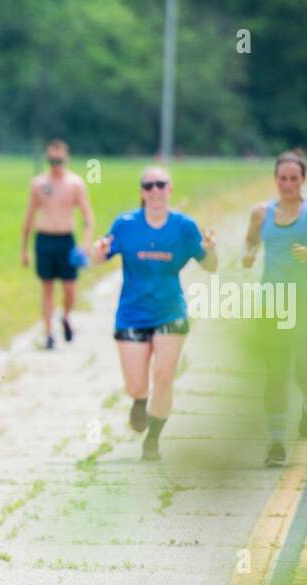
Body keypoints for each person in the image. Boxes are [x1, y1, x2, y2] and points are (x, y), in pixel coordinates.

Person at [91, 165, 218, 461]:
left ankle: (154, 440)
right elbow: (98, 258)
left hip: (170, 312)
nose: (155, 191)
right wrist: (97, 250)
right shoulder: (125, 225)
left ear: (170, 189)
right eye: (149, 186)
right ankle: (139, 400)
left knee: (163, 377)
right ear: (142, 192)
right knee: (136, 384)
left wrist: (210, 249)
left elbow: (211, 265)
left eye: (161, 184)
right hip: (132, 314)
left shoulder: (184, 227)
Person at [241, 150, 307, 466]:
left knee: (302, 372)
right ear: (275, 179)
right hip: (272, 304)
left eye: (294, 178)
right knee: (275, 373)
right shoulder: (261, 214)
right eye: (282, 178)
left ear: (303, 180)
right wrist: (248, 256)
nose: (288, 184)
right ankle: (276, 443)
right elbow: (250, 242)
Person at [21, 139, 95, 348]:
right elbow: (29, 216)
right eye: (51, 160)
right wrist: (24, 249)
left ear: (66, 159)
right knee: (47, 288)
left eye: (59, 160)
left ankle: (65, 317)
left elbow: (87, 216)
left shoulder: (75, 184)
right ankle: (48, 333)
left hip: (66, 240)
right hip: (44, 239)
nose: (55, 165)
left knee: (70, 288)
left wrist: (86, 242)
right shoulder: (38, 184)